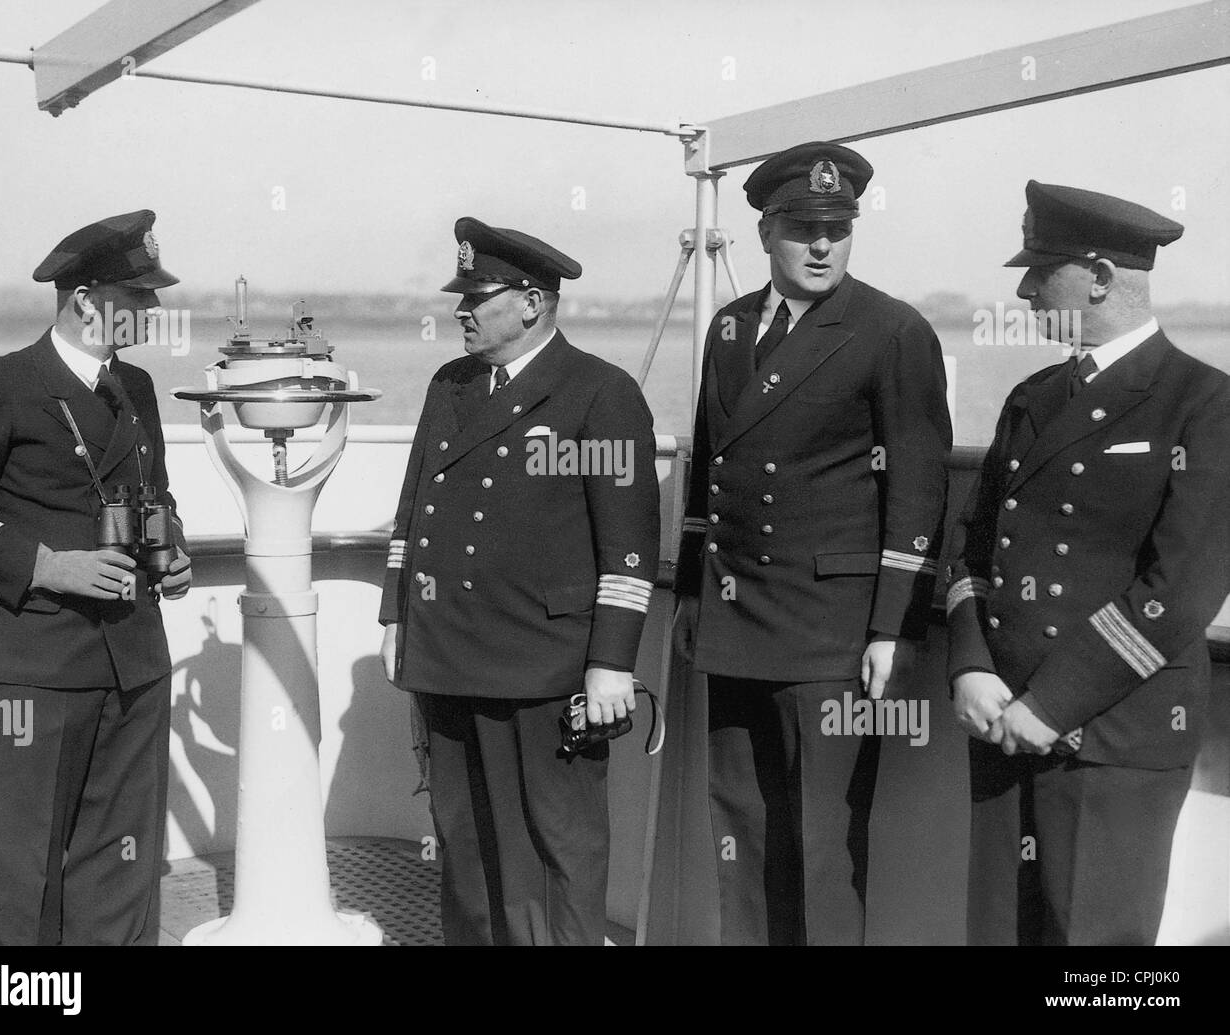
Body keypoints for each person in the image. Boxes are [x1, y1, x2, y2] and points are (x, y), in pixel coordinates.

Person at [672, 142, 952, 945]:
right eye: (803, 228)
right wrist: (694, 590)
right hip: (734, 622)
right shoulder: (730, 328)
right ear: (765, 231)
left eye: (837, 227)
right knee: (744, 827)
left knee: (823, 843)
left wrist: (889, 626)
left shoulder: (890, 330)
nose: (823, 244)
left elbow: (918, 486)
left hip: (830, 631)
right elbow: (710, 468)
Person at [946, 180, 1230, 946]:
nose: (1025, 287)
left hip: (1113, 739)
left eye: (1043, 268)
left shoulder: (1205, 404)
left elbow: (1181, 592)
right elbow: (972, 549)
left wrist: (1050, 705)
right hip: (1005, 724)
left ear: (1100, 277)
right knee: (1002, 934)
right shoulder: (1033, 396)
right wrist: (971, 665)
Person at [378, 217, 660, 946]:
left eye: (478, 295)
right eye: (460, 295)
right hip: (447, 656)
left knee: (555, 852)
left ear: (532, 302)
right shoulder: (452, 385)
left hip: (544, 667)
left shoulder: (599, 394)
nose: (460, 310)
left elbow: (628, 547)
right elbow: (414, 508)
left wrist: (611, 663)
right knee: (464, 851)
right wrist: (395, 616)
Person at [0, 209, 192, 945]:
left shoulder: (135, 390)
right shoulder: (3, 384)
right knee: (22, 866)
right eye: (137, 296)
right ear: (85, 300)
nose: (152, 310)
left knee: (123, 867)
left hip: (134, 660)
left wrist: (170, 550)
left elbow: (157, 495)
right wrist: (50, 565)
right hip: (37, 664)